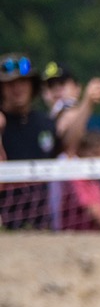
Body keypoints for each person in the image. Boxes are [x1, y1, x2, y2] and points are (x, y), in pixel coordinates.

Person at [0, 52, 59, 229]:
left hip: (41, 221)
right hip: (5, 223)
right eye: (10, 83)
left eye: (23, 82)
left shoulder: (46, 123)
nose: (17, 88)